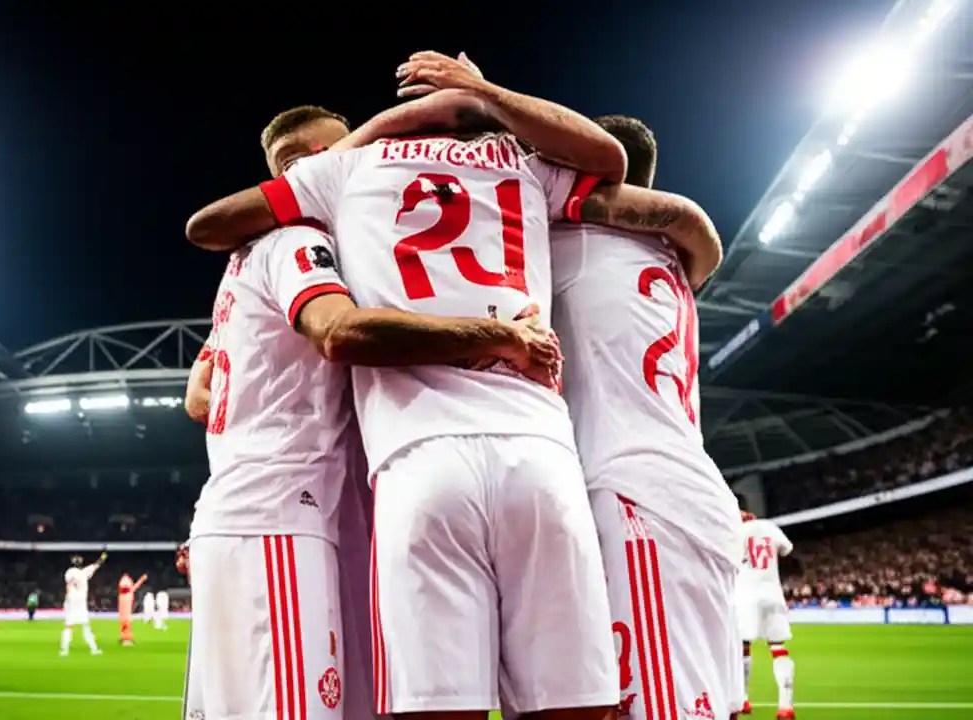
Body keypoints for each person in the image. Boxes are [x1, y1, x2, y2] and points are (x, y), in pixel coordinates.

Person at [185, 49, 737, 718]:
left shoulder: (344, 180)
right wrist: (480, 91)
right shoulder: (526, 171)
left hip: (415, 463)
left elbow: (209, 230)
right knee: (579, 703)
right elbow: (623, 174)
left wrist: (352, 150)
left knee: (432, 704)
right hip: (546, 456)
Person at [183, 90, 574, 720]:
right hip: (283, 511)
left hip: (277, 510)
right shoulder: (297, 246)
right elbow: (341, 333)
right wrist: (498, 336)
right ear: (310, 166)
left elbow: (199, 398)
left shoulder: (250, 262)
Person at [548, 114, 740, 720]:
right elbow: (696, 230)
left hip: (638, 499)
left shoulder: (576, 243)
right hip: (677, 492)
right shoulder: (667, 258)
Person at [738, 511, 796, 719]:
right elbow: (787, 550)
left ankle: (743, 699)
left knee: (743, 647)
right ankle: (785, 707)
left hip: (746, 596)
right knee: (778, 648)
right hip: (772, 593)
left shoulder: (738, 531)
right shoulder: (770, 526)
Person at [61, 553, 106, 656]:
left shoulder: (69, 572)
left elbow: (68, 584)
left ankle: (64, 650)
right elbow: (97, 564)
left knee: (68, 626)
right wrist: (103, 556)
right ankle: (94, 649)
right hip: (80, 602)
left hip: (71, 601)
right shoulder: (84, 572)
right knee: (86, 626)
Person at [116, 572, 147, 646]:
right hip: (125, 603)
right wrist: (142, 579)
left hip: (125, 603)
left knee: (125, 620)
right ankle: (126, 638)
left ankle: (125, 637)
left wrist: (142, 579)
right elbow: (132, 587)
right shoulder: (126, 584)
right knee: (126, 620)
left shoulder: (125, 585)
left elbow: (133, 587)